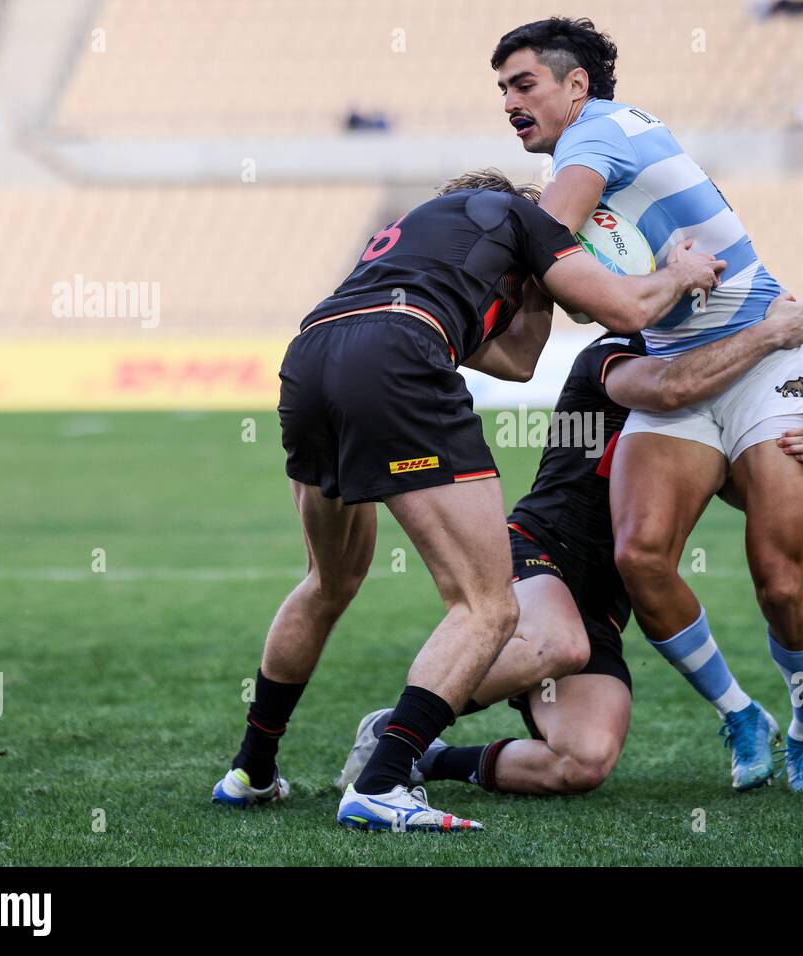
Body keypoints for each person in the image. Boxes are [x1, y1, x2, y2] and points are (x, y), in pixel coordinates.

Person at [211, 169, 725, 832]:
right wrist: (680, 272)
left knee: (327, 581)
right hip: (399, 357)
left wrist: (542, 283)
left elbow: (516, 362)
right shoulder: (522, 217)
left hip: (312, 354)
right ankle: (384, 781)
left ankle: (251, 771)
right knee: (487, 604)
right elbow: (625, 311)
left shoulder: (435, 235)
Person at [493, 17, 803, 792]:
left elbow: (543, 239)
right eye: (503, 91)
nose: (510, 103)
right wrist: (666, 280)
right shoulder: (608, 147)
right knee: (641, 555)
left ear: (574, 86)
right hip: (678, 362)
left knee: (781, 582)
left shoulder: (594, 138)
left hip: (760, 354)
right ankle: (741, 714)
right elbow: (604, 306)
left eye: (524, 85)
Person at [335, 297, 803, 796]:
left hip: (601, 608)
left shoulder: (725, 391)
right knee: (557, 644)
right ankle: (395, 738)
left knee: (583, 762)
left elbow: (752, 491)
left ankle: (431, 758)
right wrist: (768, 334)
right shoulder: (616, 353)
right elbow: (671, 387)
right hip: (540, 552)